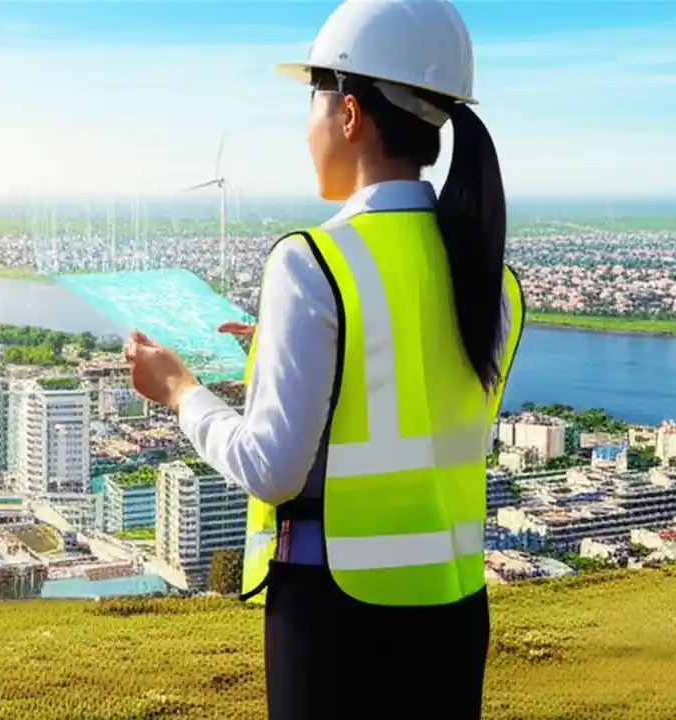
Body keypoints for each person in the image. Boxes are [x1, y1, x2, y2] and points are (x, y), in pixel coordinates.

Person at [123, 1, 526, 718]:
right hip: (455, 611)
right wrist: (282, 350)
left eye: (311, 104)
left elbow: (273, 470)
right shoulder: (490, 277)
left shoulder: (313, 263)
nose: (305, 130)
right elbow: (419, 396)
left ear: (347, 115)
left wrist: (180, 390)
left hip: (335, 616)